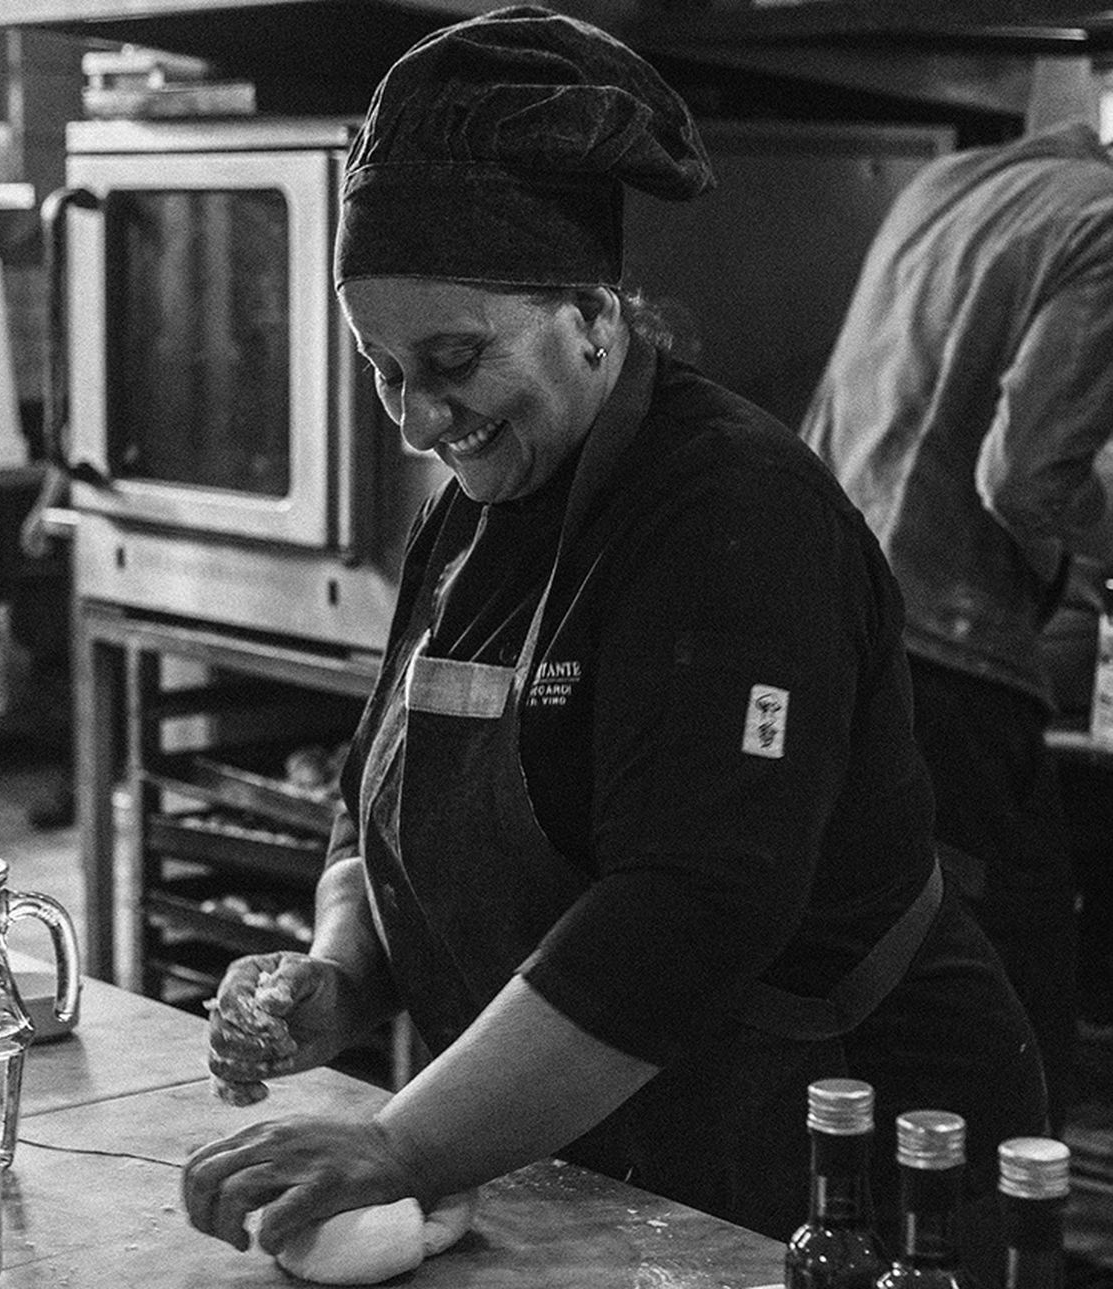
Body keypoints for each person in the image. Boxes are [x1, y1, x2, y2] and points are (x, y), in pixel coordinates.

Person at [181, 8, 1046, 1282]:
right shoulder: (477, 514)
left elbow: (690, 906)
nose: (420, 418)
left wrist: (404, 1145)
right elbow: (377, 799)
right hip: (597, 1143)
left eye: (453, 360)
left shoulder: (733, 515)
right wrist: (339, 969)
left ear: (591, 313)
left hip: (843, 1154)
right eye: (384, 370)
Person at [800, 58, 1113, 1138]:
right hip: (951, 665)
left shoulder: (950, 186)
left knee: (875, 982)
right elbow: (1022, 478)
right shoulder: (1107, 228)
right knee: (1008, 999)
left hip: (824, 626)